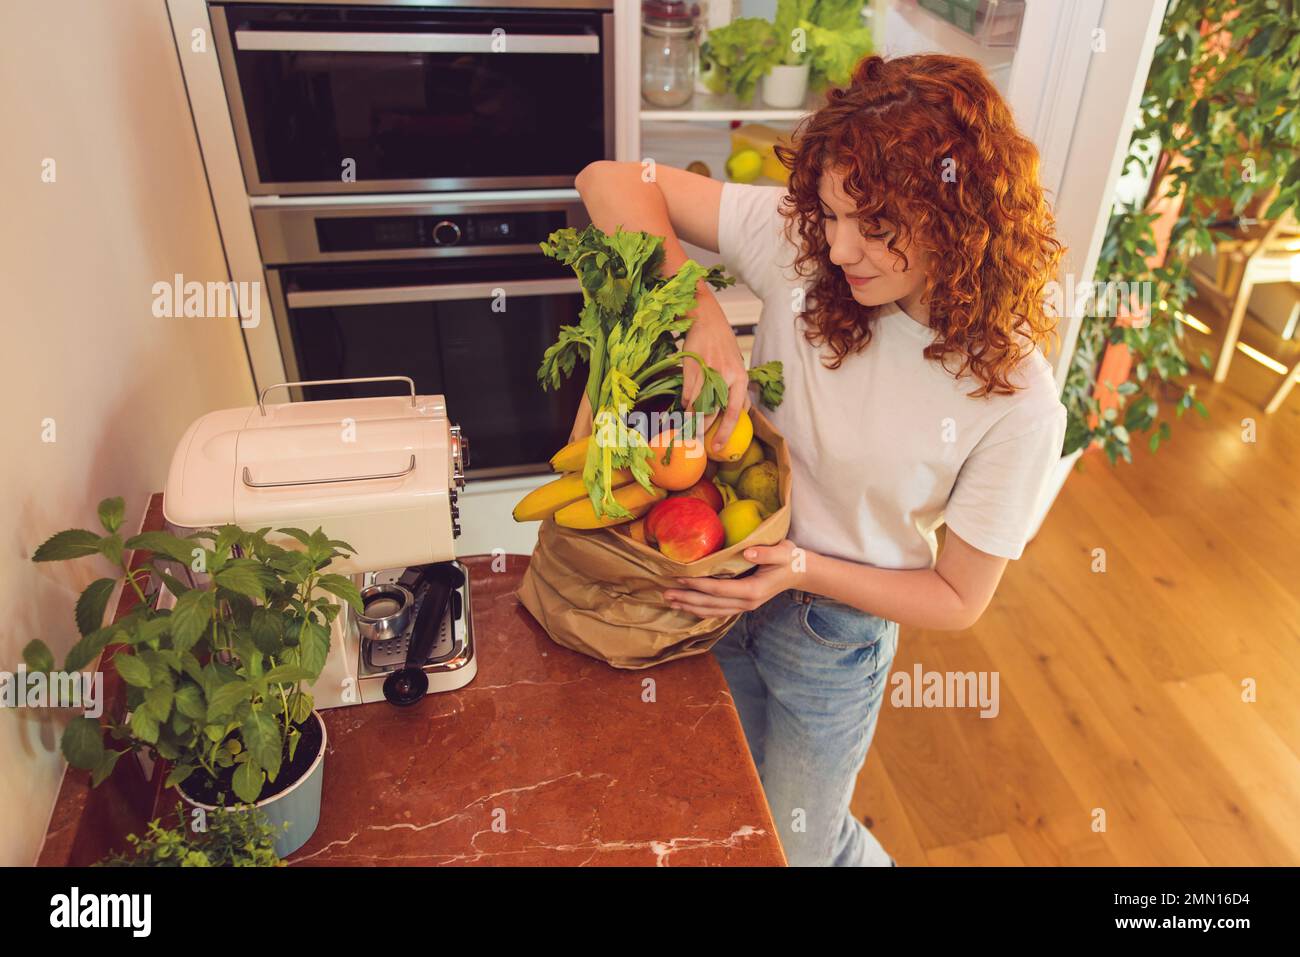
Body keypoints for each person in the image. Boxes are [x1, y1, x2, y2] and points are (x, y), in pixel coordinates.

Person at [572, 54, 1067, 866]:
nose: (839, 249)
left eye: (873, 227)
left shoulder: (1016, 400)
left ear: (960, 214)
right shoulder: (804, 246)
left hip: (832, 639)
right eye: (831, 215)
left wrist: (798, 567)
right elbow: (609, 180)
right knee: (721, 802)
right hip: (719, 582)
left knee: (801, 845)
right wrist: (692, 300)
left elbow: (957, 597)